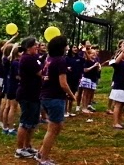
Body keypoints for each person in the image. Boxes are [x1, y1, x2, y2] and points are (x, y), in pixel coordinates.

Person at [35, 35, 77, 165]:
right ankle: (44, 159)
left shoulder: (49, 59)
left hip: (46, 95)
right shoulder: (61, 61)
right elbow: (63, 83)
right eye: (66, 45)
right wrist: (72, 95)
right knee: (52, 129)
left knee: (57, 126)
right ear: (61, 47)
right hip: (55, 97)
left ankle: (41, 152)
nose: (67, 47)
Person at [15, 36, 42, 160]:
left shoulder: (34, 58)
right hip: (27, 94)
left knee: (33, 122)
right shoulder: (27, 59)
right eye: (35, 45)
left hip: (35, 94)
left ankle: (27, 145)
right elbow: (40, 73)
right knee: (25, 122)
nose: (37, 46)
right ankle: (19, 149)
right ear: (28, 47)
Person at [78, 47, 101, 114]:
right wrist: (93, 66)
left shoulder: (95, 61)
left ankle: (87, 107)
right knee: (85, 93)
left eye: (95, 53)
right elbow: (85, 70)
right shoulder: (87, 61)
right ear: (89, 54)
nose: (94, 54)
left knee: (89, 94)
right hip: (87, 78)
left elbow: (96, 71)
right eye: (92, 53)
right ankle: (83, 107)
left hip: (93, 79)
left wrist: (98, 68)